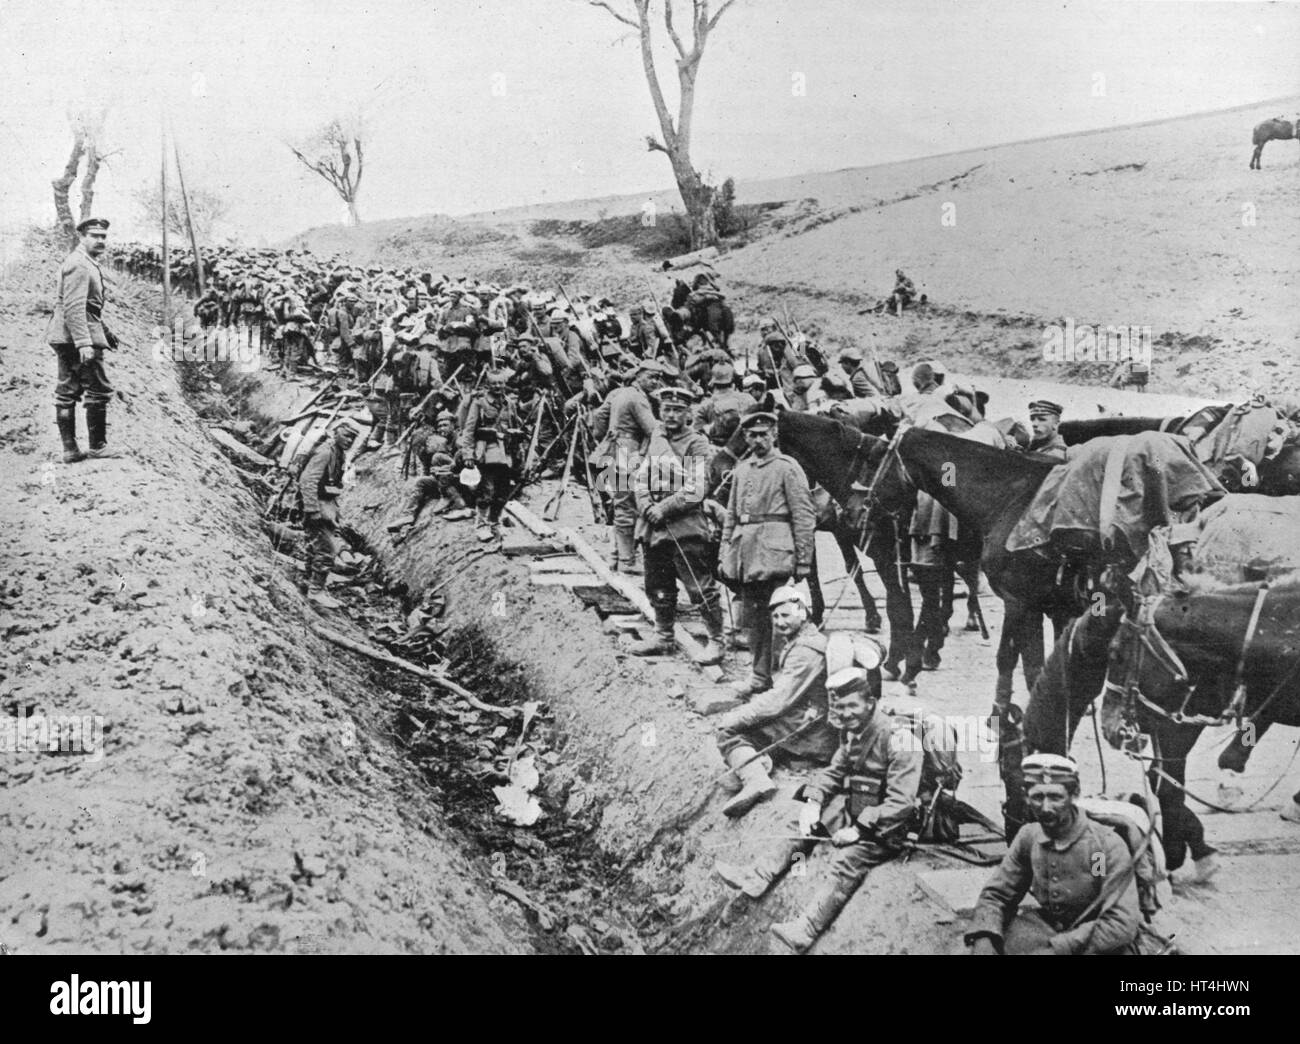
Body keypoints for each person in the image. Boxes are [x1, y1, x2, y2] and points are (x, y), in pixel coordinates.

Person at [714, 662, 922, 952]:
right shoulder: (853, 730)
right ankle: (759, 876)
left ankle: (806, 930)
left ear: (871, 703)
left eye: (852, 706)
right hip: (857, 804)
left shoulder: (901, 740)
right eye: (839, 708)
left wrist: (858, 829)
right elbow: (834, 772)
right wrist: (813, 801)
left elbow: (901, 802)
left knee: (849, 860)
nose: (845, 714)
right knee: (802, 825)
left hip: (890, 823)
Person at [966, 754, 1141, 955]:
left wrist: (1057, 951)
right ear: (1025, 796)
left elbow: (1121, 922)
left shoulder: (1102, 847)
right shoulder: (1029, 837)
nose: (1046, 808)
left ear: (1074, 795)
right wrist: (984, 936)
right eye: (1037, 797)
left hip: (1096, 941)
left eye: (1056, 797)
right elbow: (997, 894)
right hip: (1045, 930)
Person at [711, 585, 837, 818]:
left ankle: (755, 778)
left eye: (786, 615)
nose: (779, 622)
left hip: (811, 732)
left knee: (729, 731)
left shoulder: (806, 650)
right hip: (809, 724)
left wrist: (737, 715)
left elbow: (779, 700)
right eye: (776, 616)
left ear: (802, 613)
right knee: (754, 726)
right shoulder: (803, 639)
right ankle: (756, 766)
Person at [719, 412, 816, 695]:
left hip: (776, 554)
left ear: (774, 435)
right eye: (752, 435)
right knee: (753, 618)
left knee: (782, 619)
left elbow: (804, 515)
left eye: (764, 434)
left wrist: (804, 559)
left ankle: (784, 680)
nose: (758, 440)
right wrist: (725, 549)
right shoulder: (741, 470)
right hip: (747, 554)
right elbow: (731, 517)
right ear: (745, 437)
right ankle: (760, 677)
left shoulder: (788, 467)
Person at [627, 386, 725, 665]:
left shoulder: (696, 444)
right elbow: (641, 477)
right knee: (658, 584)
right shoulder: (654, 439)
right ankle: (664, 636)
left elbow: (697, 487)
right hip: (652, 526)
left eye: (677, 410)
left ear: (688, 414)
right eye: (666, 409)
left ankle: (717, 641)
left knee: (699, 587)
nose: (670, 415)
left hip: (685, 526)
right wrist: (646, 507)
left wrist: (664, 508)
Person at [48, 217, 120, 464]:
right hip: (77, 336)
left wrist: (106, 331)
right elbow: (74, 307)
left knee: (67, 391)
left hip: (66, 335)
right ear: (82, 236)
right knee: (98, 389)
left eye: (103, 236)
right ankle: (97, 447)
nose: (100, 240)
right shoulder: (79, 264)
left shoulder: (84, 262)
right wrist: (84, 342)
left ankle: (70, 450)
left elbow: (89, 307)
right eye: (95, 236)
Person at [590, 359, 664, 573]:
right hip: (629, 453)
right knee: (630, 504)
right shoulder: (637, 399)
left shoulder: (618, 393)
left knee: (622, 503)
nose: (655, 382)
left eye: (658, 378)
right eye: (651, 377)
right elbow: (652, 430)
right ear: (638, 376)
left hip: (614, 450)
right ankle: (627, 561)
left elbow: (598, 418)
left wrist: (608, 434)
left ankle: (617, 556)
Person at [299, 419, 363, 609]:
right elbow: (307, 480)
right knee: (327, 550)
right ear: (335, 433)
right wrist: (312, 510)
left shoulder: (338, 453)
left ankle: (308, 581)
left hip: (326, 503)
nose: (349, 440)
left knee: (316, 546)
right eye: (346, 435)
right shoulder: (326, 452)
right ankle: (316, 591)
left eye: (353, 437)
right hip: (317, 505)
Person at [458, 368, 522, 542]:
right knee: (486, 491)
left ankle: (494, 522)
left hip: (506, 453)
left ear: (504, 384)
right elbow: (469, 430)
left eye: (500, 383)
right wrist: (468, 454)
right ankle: (481, 525)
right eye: (494, 383)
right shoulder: (479, 403)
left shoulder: (509, 403)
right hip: (486, 452)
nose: (497, 386)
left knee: (503, 492)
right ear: (488, 385)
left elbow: (515, 426)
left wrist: (518, 450)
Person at [694, 362, 756, 445]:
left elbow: (697, 433)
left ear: (712, 382)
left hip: (716, 450)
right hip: (745, 448)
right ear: (733, 380)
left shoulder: (706, 404)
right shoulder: (748, 399)